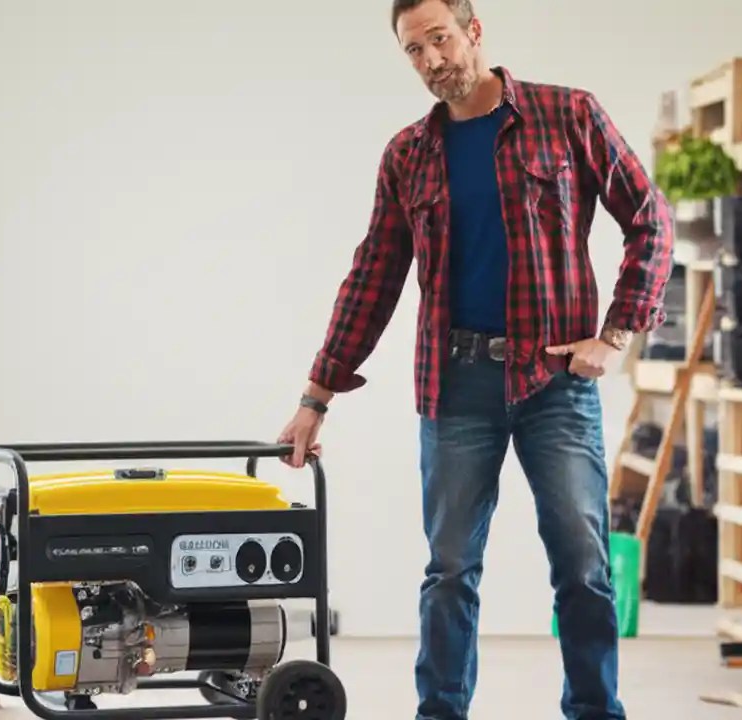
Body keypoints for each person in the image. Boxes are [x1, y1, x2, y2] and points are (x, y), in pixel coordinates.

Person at [276, 0, 674, 718]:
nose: (432, 60)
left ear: (474, 32)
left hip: (556, 381)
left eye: (440, 40)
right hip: (455, 386)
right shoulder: (407, 155)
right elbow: (374, 277)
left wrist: (616, 335)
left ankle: (594, 711)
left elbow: (651, 218)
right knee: (450, 571)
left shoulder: (568, 115)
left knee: (583, 569)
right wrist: (315, 397)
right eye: (414, 51)